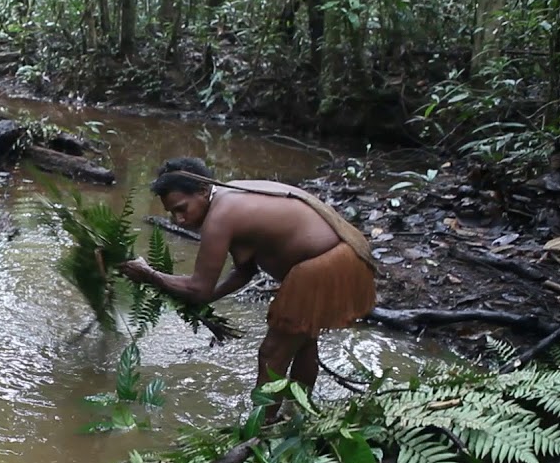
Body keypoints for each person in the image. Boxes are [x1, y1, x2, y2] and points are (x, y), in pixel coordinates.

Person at [117, 157, 375, 396]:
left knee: (271, 353)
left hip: (327, 264)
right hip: (346, 253)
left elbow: (199, 288)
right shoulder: (226, 196)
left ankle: (262, 429)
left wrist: (149, 274)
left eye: (182, 208)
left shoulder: (220, 217)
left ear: (203, 191)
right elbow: (245, 271)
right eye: (172, 213)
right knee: (303, 343)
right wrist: (209, 298)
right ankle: (297, 416)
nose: (179, 219)